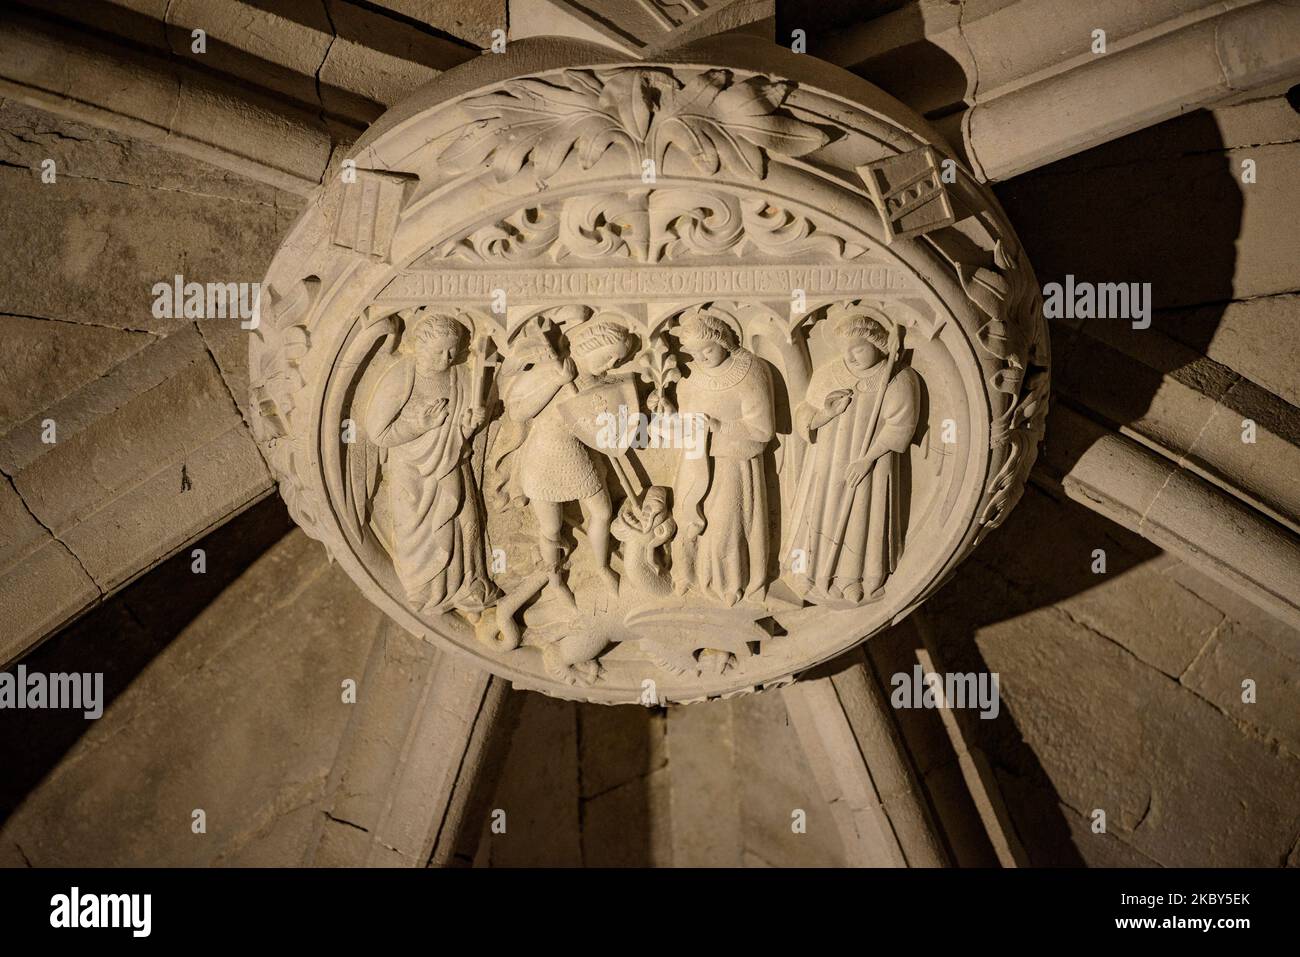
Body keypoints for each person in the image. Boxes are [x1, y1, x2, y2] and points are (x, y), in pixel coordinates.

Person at [363, 310, 496, 616]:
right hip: (411, 474)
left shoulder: (459, 375)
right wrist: (419, 425)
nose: (447, 358)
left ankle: (468, 586)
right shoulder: (403, 376)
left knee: (466, 523)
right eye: (439, 351)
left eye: (453, 350)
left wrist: (471, 423)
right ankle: (427, 591)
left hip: (451, 463)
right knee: (420, 535)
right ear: (421, 348)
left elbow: (460, 431)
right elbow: (378, 433)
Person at [783, 310, 920, 604]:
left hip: (869, 464)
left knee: (863, 515)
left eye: (857, 348)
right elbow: (804, 412)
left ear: (878, 344)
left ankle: (853, 579)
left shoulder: (898, 378)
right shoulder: (829, 373)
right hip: (828, 460)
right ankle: (811, 572)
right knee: (823, 509)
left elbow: (901, 426)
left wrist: (868, 459)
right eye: (845, 350)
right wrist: (825, 414)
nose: (851, 357)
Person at [671, 307, 775, 606]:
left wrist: (720, 426)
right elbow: (684, 421)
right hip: (694, 459)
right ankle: (687, 575)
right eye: (695, 353)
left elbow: (762, 429)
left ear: (724, 340)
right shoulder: (691, 379)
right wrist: (668, 415)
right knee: (689, 519)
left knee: (725, 526)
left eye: (708, 350)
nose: (702, 358)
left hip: (733, 461)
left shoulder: (749, 370)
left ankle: (730, 583)